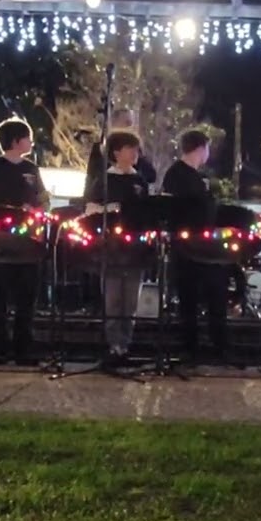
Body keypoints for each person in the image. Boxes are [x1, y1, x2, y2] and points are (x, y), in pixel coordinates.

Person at [0, 118, 46, 365]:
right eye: (27, 137)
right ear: (16, 141)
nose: (31, 141)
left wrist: (37, 208)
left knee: (26, 298)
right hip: (0, 240)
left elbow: (41, 197)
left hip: (28, 240)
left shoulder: (32, 169)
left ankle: (24, 349)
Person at [162, 129, 230, 363]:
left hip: (203, 245)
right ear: (201, 148)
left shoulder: (192, 176)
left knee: (212, 296)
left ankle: (214, 344)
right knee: (189, 298)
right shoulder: (178, 175)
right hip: (188, 246)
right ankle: (191, 347)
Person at [84, 130, 150, 366]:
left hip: (135, 251)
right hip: (111, 249)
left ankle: (125, 347)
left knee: (130, 303)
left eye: (136, 149)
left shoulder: (139, 181)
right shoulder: (104, 180)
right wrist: (112, 210)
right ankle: (113, 347)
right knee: (113, 301)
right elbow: (90, 209)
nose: (135, 154)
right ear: (116, 152)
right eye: (129, 149)